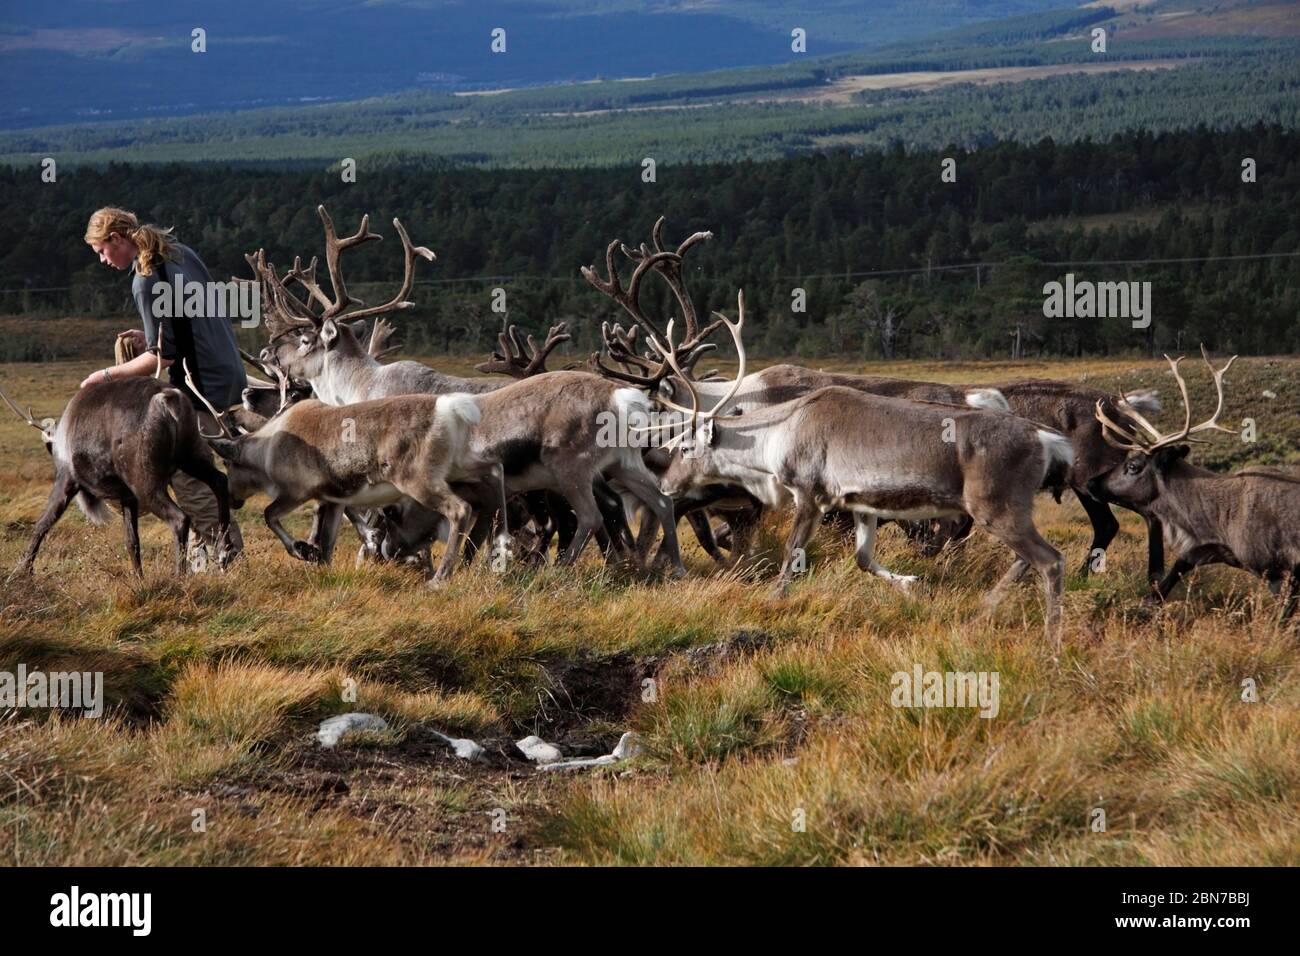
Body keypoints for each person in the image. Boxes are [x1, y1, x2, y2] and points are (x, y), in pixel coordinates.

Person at [83, 206, 246, 566]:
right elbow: (198, 316)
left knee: (188, 476)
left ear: (116, 238)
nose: (103, 260)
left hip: (199, 384)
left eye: (101, 251)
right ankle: (203, 552)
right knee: (201, 468)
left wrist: (105, 377)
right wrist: (153, 336)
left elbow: (163, 360)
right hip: (228, 372)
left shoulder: (144, 277)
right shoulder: (180, 252)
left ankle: (231, 559)